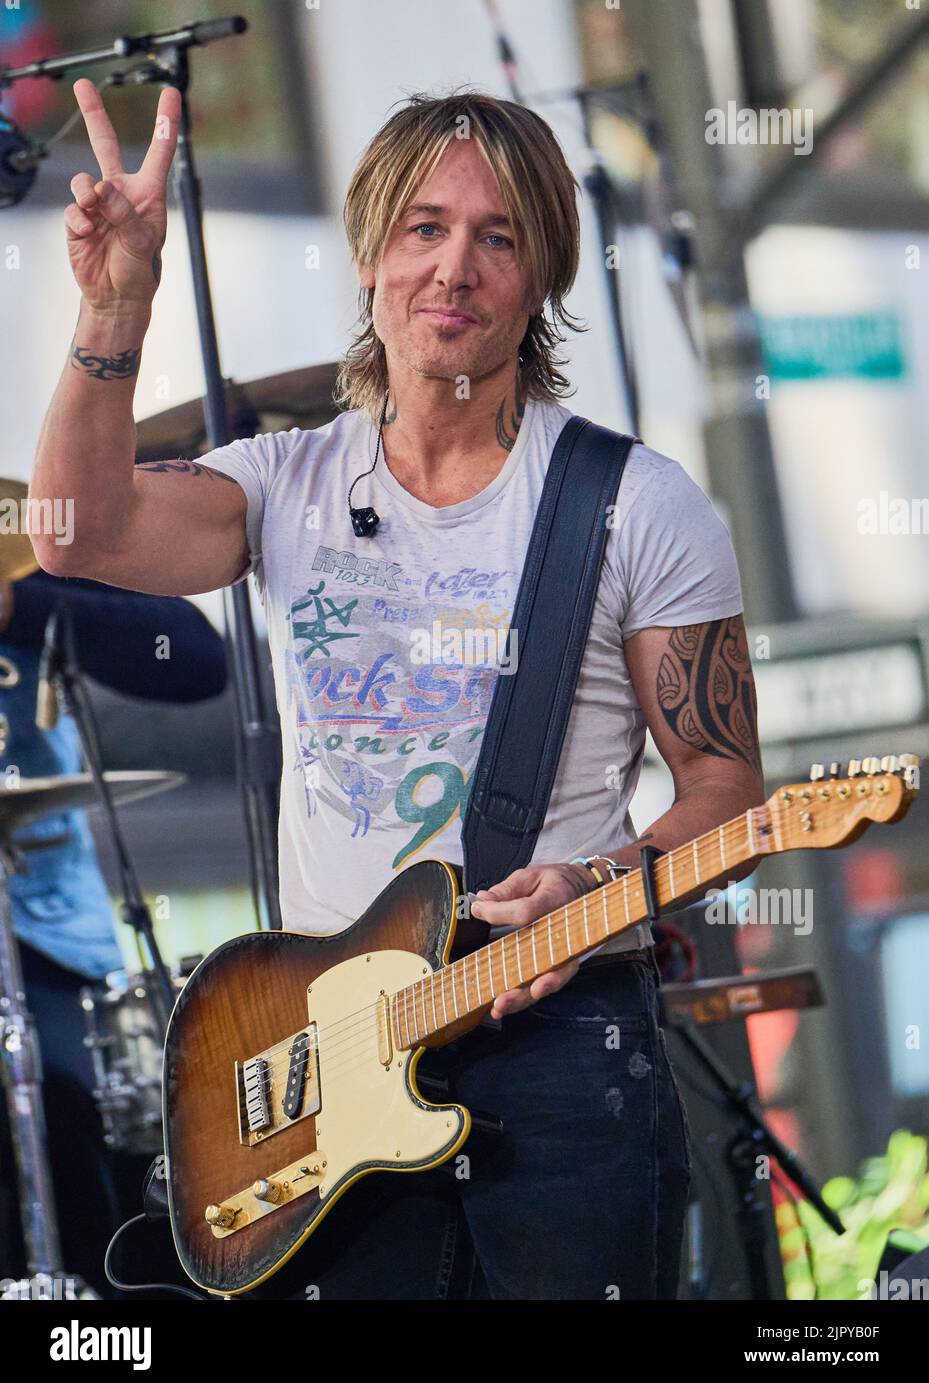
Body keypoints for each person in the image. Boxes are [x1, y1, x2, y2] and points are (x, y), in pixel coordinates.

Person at [29, 81, 765, 1299]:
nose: (453, 269)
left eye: (497, 236)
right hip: (331, 1056)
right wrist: (116, 302)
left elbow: (727, 789)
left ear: (540, 277)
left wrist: (593, 884)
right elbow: (73, 534)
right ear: (371, 249)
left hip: (558, 1041)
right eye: (423, 228)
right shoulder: (283, 481)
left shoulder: (639, 505)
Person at [0, 568, 227, 1294]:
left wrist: (17, 601)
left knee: (86, 1131)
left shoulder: (23, 540)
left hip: (46, 938)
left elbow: (195, 658)